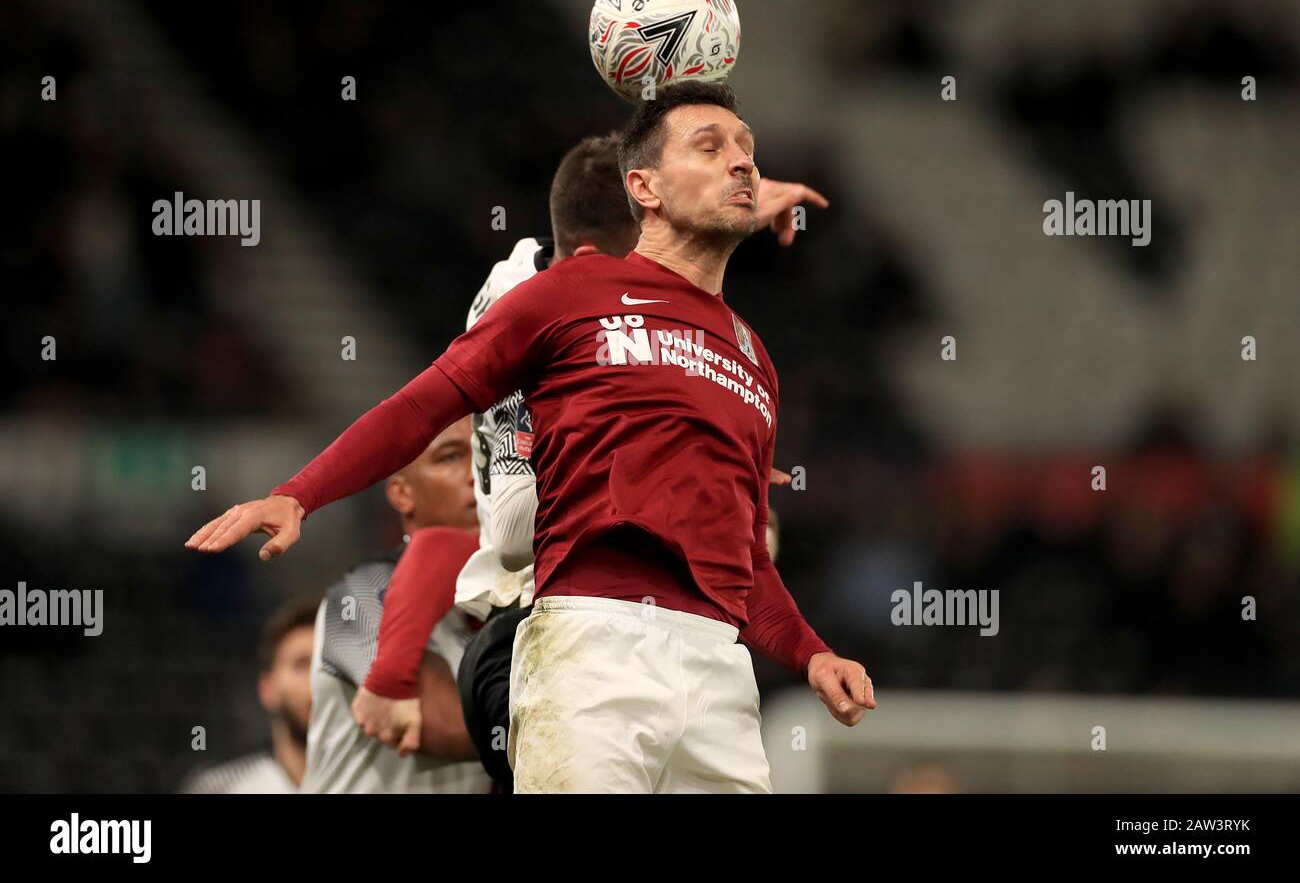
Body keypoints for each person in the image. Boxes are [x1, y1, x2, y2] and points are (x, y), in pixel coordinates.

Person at [187, 82, 871, 793]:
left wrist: (811, 654)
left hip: (720, 672)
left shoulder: (752, 356)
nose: (742, 163)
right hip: (591, 644)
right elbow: (422, 405)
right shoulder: (562, 290)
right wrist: (301, 493)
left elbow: (746, 559)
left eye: (747, 150)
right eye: (711, 146)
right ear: (644, 187)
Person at [302, 418, 491, 792]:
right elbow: (443, 724)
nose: (477, 473)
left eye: (486, 454)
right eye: (451, 457)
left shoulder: (507, 593)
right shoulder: (362, 594)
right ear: (402, 494)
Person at [180, 595, 318, 793]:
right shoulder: (218, 787)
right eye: (302, 665)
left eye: (328, 667)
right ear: (268, 689)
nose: (318, 680)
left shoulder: (374, 782)